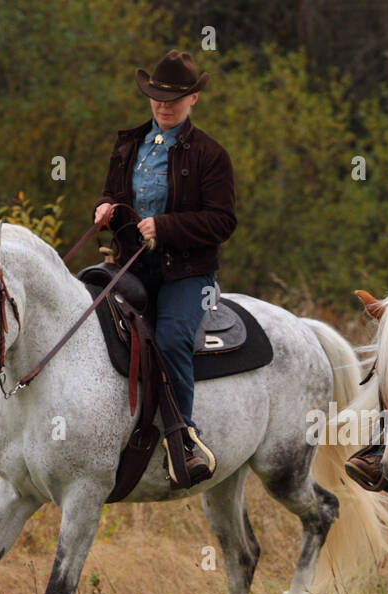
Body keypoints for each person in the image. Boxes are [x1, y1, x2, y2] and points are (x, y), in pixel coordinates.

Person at [93, 49, 235, 488]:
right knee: (82, 312)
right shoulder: (129, 144)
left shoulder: (211, 154)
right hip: (130, 265)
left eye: (173, 98)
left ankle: (183, 438)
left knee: (172, 337)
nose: (162, 105)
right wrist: (104, 207)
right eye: (156, 96)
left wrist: (166, 227)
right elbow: (112, 194)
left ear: (193, 99)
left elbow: (222, 221)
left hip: (186, 273)